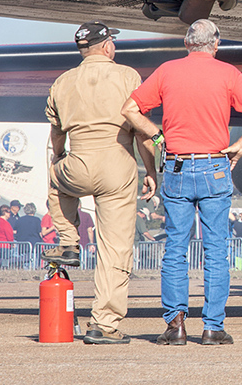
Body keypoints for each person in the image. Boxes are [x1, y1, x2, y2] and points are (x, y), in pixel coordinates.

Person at [122, 18, 242, 347]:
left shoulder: (167, 71)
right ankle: (213, 328)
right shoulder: (228, 73)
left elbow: (130, 109)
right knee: (216, 250)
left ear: (187, 44)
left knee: (176, 249)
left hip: (176, 166)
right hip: (215, 166)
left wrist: (157, 135)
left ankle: (175, 326)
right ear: (215, 45)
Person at [42, 20, 156, 344]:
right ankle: (103, 325)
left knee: (55, 177)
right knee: (115, 250)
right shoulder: (127, 75)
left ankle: (68, 242)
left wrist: (59, 157)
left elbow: (56, 131)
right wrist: (151, 172)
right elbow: (142, 132)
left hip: (77, 159)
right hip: (116, 164)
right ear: (107, 46)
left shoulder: (62, 82)